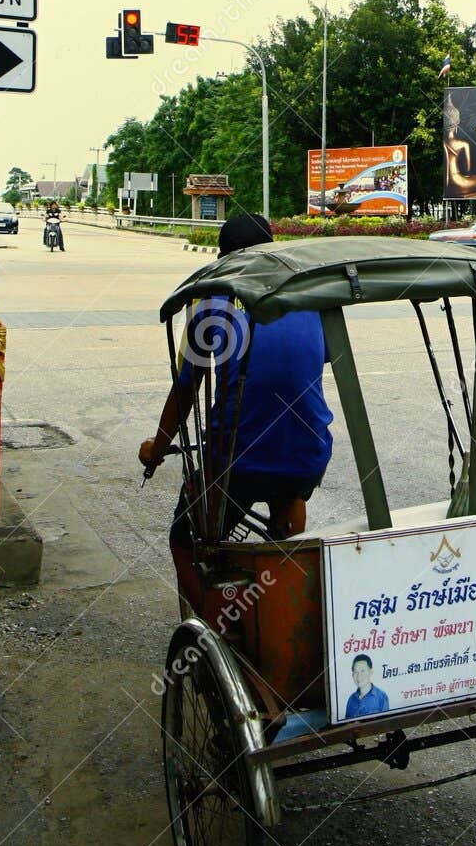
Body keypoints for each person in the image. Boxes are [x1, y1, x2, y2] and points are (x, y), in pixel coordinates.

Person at [140, 213, 334, 606]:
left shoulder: (213, 301)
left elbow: (186, 389)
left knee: (184, 538)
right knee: (288, 494)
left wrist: (157, 449)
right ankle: (287, 594)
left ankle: (208, 621)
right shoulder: (308, 298)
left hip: (236, 461)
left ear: (224, 259)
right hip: (308, 452)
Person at [345, 654, 389, 718]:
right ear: (352, 675)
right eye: (355, 672)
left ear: (370, 672)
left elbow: (385, 723)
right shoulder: (351, 699)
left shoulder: (381, 697)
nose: (359, 676)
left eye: (362, 671)